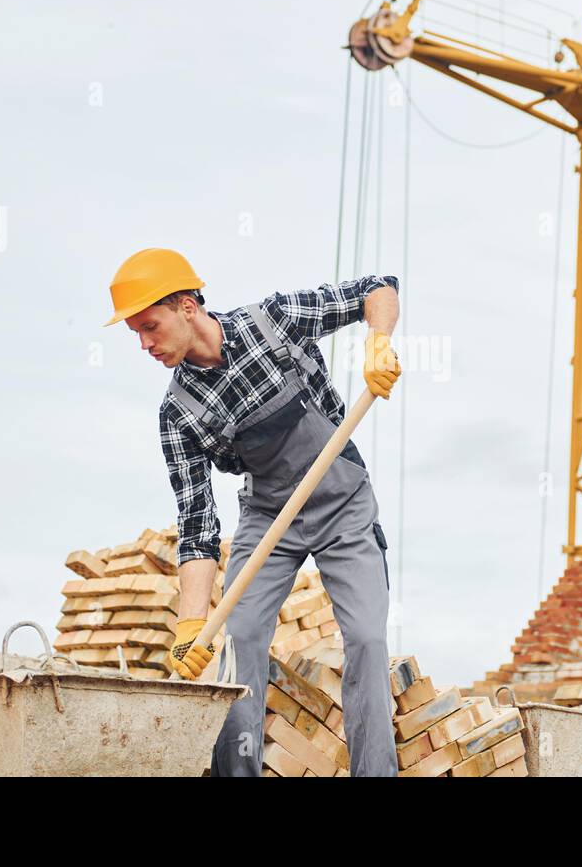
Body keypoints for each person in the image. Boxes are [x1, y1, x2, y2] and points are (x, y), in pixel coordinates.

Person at [104, 247, 402, 776]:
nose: (145, 344)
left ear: (187, 306)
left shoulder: (274, 321)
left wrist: (378, 342)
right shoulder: (179, 413)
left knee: (368, 638)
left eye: (150, 327)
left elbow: (377, 290)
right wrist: (191, 623)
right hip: (269, 516)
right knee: (238, 642)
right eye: (136, 335)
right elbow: (197, 525)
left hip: (342, 502)